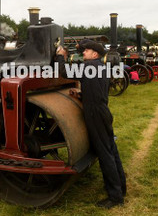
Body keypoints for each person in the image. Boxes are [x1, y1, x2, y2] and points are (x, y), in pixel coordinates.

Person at [56, 40, 126, 209]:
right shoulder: (101, 68)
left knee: (104, 154)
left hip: (95, 115)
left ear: (95, 54)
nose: (84, 53)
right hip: (103, 111)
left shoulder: (89, 67)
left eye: (86, 51)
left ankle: (115, 197)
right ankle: (121, 187)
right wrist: (82, 95)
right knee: (111, 149)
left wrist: (60, 56)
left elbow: (63, 71)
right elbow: (96, 91)